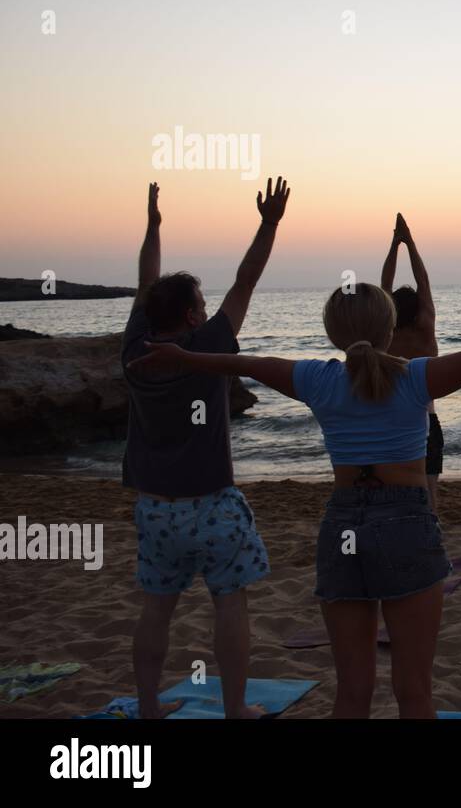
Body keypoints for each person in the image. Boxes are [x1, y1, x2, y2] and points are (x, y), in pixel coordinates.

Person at [129, 281, 461, 718]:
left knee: (351, 695)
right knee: (414, 694)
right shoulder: (417, 377)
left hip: (342, 526)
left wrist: (184, 357)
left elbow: (244, 362)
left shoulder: (317, 378)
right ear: (390, 330)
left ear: (332, 332)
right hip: (406, 524)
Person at [123, 177, 290, 719]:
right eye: (200, 302)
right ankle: (236, 709)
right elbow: (247, 280)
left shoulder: (135, 347)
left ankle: (149, 708)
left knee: (156, 611)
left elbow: (146, 278)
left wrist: (152, 227)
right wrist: (269, 223)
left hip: (154, 509)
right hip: (213, 506)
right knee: (230, 604)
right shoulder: (211, 344)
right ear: (194, 315)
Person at [380, 213, 443, 495]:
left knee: (395, 488)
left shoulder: (386, 332)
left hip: (391, 418)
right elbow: (424, 280)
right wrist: (409, 242)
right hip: (426, 419)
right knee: (429, 491)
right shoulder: (426, 328)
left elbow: (384, 285)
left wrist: (395, 245)